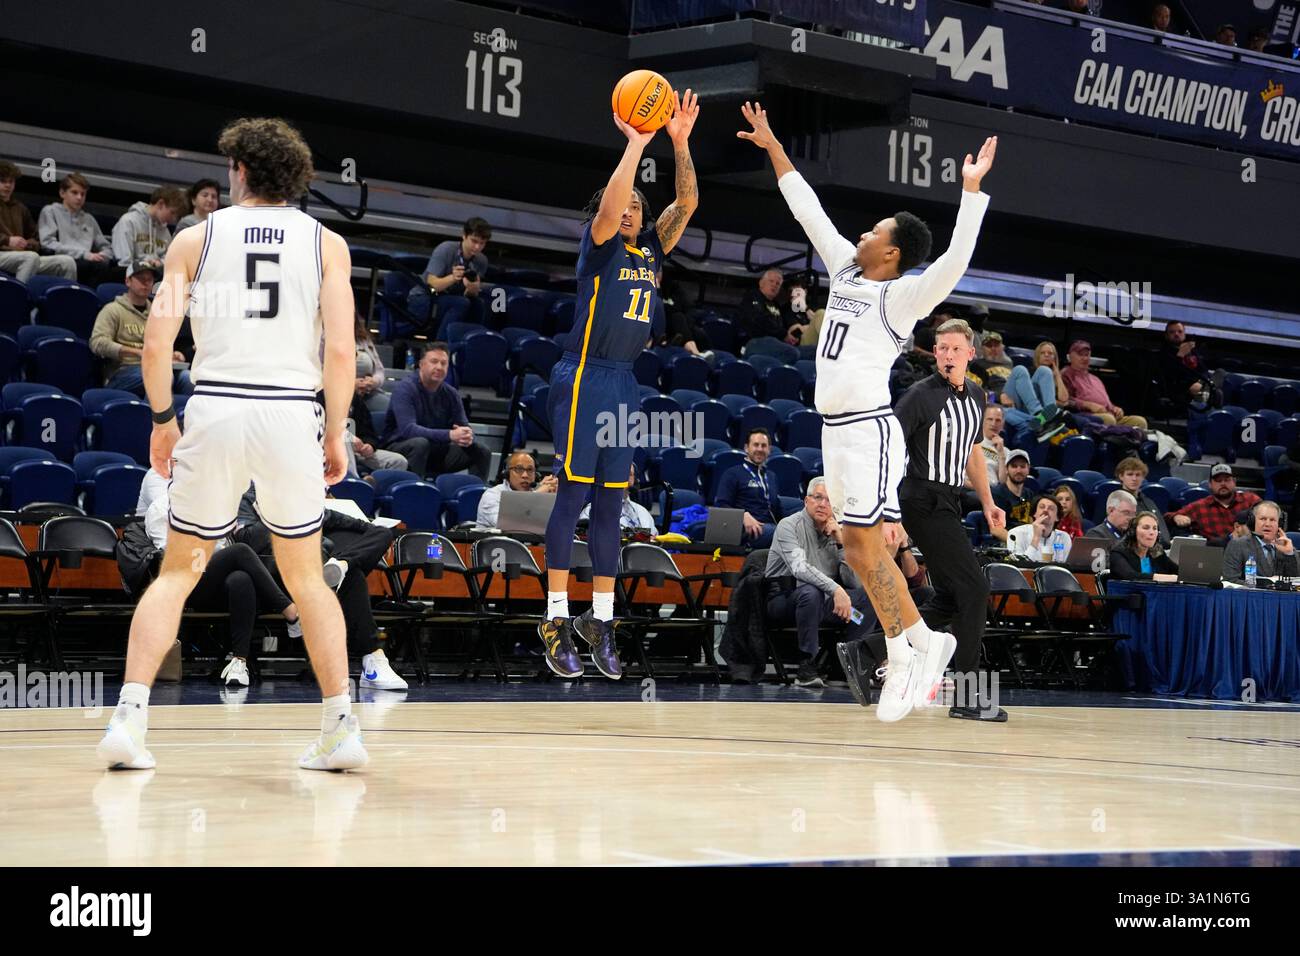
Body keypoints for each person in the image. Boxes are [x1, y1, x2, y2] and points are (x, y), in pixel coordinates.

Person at [96, 117, 367, 772]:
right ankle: (340, 729)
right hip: (287, 413)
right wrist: (335, 430)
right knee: (305, 576)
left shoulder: (196, 237)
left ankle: (129, 721)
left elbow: (157, 343)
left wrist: (164, 420)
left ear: (241, 170)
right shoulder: (327, 243)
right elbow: (339, 348)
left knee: (179, 571)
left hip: (215, 406)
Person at [738, 99, 994, 723]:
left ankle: (910, 652)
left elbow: (956, 264)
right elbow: (808, 209)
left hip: (871, 432)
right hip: (834, 431)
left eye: (875, 230)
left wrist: (970, 193)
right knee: (856, 549)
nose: (861, 232)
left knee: (864, 544)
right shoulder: (846, 270)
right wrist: (773, 144)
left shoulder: (901, 297)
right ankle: (919, 643)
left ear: (893, 252)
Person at [539, 89, 699, 682]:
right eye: (623, 203)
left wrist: (679, 142)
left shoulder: (653, 249)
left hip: (623, 383)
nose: (630, 210)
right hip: (583, 374)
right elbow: (608, 210)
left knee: (613, 503)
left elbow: (686, 201)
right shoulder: (599, 246)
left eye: (637, 204)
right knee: (574, 498)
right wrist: (635, 143)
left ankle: (599, 618)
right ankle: (555, 616)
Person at [877, 318, 1007, 720]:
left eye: (955, 349)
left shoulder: (977, 395)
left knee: (952, 595)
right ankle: (968, 697)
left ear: (971, 353)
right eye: (941, 349)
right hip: (919, 498)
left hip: (951, 500)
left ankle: (865, 652)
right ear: (934, 353)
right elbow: (889, 449)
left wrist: (987, 501)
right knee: (974, 590)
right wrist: (887, 512)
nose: (948, 355)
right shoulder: (919, 396)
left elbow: (972, 451)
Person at [136, 468, 302, 686]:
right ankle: (291, 612)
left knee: (241, 579)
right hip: (183, 584)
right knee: (240, 552)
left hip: (213, 581)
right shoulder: (161, 509)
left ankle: (239, 662)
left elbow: (224, 547)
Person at [231, 485, 405, 691]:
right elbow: (246, 540)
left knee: (380, 535)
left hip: (318, 564)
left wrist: (369, 527)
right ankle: (372, 661)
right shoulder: (247, 498)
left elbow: (336, 518)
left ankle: (342, 565)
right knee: (353, 576)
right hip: (278, 576)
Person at [766, 478, 877, 687]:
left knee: (866, 602)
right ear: (807, 500)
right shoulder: (788, 526)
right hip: (784, 600)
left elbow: (854, 583)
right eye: (818, 497)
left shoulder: (836, 532)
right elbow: (799, 568)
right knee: (811, 592)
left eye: (829, 500)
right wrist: (835, 589)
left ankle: (847, 664)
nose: (823, 504)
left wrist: (841, 543)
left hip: (827, 604)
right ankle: (806, 666)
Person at [382, 342, 491, 481]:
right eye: (434, 362)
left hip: (436, 450)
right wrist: (450, 435)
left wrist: (467, 435)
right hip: (400, 447)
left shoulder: (451, 393)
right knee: (420, 444)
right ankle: (412, 492)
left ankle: (476, 496)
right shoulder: (405, 389)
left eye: (443, 363)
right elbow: (408, 430)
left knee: (481, 451)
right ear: (421, 364)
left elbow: (463, 425)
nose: (439, 367)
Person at [88, 261, 191, 396]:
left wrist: (173, 354)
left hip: (156, 367)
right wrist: (137, 352)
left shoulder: (158, 314)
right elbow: (97, 343)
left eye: (150, 279)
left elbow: (162, 345)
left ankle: (183, 415)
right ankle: (155, 417)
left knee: (188, 377)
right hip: (122, 371)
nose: (146, 283)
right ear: (128, 281)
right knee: (161, 376)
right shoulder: (112, 310)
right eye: (141, 278)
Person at [38, 172, 122, 285]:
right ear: (62, 193)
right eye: (74, 192)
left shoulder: (89, 219)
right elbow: (47, 243)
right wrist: (83, 254)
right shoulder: (50, 211)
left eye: (83, 194)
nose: (79, 197)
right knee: (93, 268)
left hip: (90, 262)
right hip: (64, 259)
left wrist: (104, 255)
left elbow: (105, 246)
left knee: (118, 272)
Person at [0, 160, 77, 283]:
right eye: (3, 181)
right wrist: (8, 240)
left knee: (67, 262)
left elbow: (36, 238)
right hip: (3, 255)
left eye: (11, 182)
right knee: (30, 258)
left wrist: (27, 244)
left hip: (22, 256)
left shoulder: (20, 208)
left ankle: (65, 301)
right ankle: (19, 300)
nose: (8, 185)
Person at [713, 428, 783, 549]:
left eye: (764, 446)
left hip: (769, 528)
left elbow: (778, 509)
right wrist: (742, 515)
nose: (760, 449)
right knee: (784, 536)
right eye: (756, 445)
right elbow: (721, 505)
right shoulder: (732, 473)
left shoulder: (771, 476)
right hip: (744, 530)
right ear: (746, 448)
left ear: (769, 450)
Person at [423, 216, 491, 335]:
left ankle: (469, 341)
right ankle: (441, 344)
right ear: (464, 236)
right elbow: (431, 283)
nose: (477, 247)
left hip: (454, 297)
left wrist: (473, 289)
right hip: (429, 294)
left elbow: (469, 294)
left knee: (478, 304)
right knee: (460, 303)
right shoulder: (445, 249)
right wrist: (452, 278)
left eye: (482, 243)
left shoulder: (481, 260)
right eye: (474, 241)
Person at [1166, 463, 1259, 546]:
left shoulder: (1250, 500)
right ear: (1210, 484)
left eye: (1227, 480)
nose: (1223, 483)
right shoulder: (1199, 506)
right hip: (1216, 553)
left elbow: (1270, 513)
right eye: (1218, 480)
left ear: (1234, 482)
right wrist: (1176, 517)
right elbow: (1167, 516)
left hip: (1248, 550)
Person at [1060, 340, 1148, 429]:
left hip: (1109, 415)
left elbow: (1107, 402)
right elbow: (1065, 400)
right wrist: (1088, 405)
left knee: (1140, 422)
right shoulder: (1066, 374)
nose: (1084, 358)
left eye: (1087, 355)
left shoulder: (1095, 379)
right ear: (1070, 356)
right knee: (1109, 420)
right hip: (1084, 416)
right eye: (1080, 355)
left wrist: (1115, 408)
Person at [1000, 340, 1068, 444]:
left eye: (1050, 353)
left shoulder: (1049, 374)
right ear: (1037, 356)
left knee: (1045, 371)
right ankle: (1042, 416)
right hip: (1022, 406)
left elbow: (1064, 399)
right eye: (1043, 353)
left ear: (1055, 357)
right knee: (1020, 369)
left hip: (1036, 413)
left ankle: (1048, 417)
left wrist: (1057, 375)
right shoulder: (1029, 372)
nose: (1046, 355)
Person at [111, 185, 187, 270]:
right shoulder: (128, 221)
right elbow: (123, 262)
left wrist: (160, 263)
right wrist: (145, 265)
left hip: (156, 276)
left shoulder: (164, 230)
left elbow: (169, 258)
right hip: (133, 276)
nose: (173, 219)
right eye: (172, 213)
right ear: (160, 204)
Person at [477, 450, 558, 527]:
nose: (525, 475)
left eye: (530, 470)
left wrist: (554, 498)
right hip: (497, 541)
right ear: (507, 473)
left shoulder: (537, 492)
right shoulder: (492, 495)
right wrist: (537, 496)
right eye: (519, 469)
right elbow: (506, 524)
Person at [1221, 501, 1297, 583]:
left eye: (1272, 520)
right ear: (1253, 522)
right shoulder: (1238, 545)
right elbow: (1230, 580)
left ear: (1280, 524)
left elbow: (1294, 583)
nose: (1267, 524)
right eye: (1263, 519)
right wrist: (1265, 585)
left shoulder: (1287, 547)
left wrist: (1289, 554)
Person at [737, 268, 800, 361]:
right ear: (761, 283)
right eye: (771, 281)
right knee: (792, 353)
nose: (774, 285)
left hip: (775, 343)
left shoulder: (776, 305)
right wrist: (783, 334)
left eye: (777, 284)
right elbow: (759, 319)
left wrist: (790, 336)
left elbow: (781, 327)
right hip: (753, 341)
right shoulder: (752, 297)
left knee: (811, 353)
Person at [578, 464, 656, 532]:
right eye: (622, 473)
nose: (625, 478)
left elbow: (655, 541)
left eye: (629, 474)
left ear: (635, 480)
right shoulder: (592, 509)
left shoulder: (642, 512)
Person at [1108, 511, 1179, 582]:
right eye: (1146, 528)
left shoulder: (1155, 551)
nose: (1151, 532)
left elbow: (1176, 570)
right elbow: (1130, 576)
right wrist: (1169, 578)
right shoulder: (1118, 552)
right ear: (1133, 531)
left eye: (1154, 528)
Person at [1114, 456, 1170, 544]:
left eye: (1138, 475)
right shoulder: (1116, 500)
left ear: (1143, 477)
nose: (1134, 479)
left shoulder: (1149, 501)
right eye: (1130, 474)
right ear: (1121, 476)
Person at [962, 403, 1006, 515]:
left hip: (994, 491)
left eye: (998, 420)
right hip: (970, 488)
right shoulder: (970, 442)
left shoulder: (1005, 452)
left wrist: (1001, 453)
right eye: (990, 419)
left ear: (1003, 424)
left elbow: (1003, 481)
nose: (993, 424)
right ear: (982, 421)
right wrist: (978, 487)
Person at [1007, 494, 1072, 562]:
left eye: (1051, 508)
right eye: (1042, 507)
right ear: (1034, 513)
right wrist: (1036, 538)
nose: (1046, 510)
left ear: (1057, 517)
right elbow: (1019, 566)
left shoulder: (1064, 537)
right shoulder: (1016, 534)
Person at [990, 449, 1034, 540]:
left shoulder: (1029, 494)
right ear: (1006, 469)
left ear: (1028, 469)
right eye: (1014, 466)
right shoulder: (997, 493)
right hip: (1005, 543)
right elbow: (996, 529)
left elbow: (1031, 522)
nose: (1018, 470)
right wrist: (1016, 543)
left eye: (1022, 466)